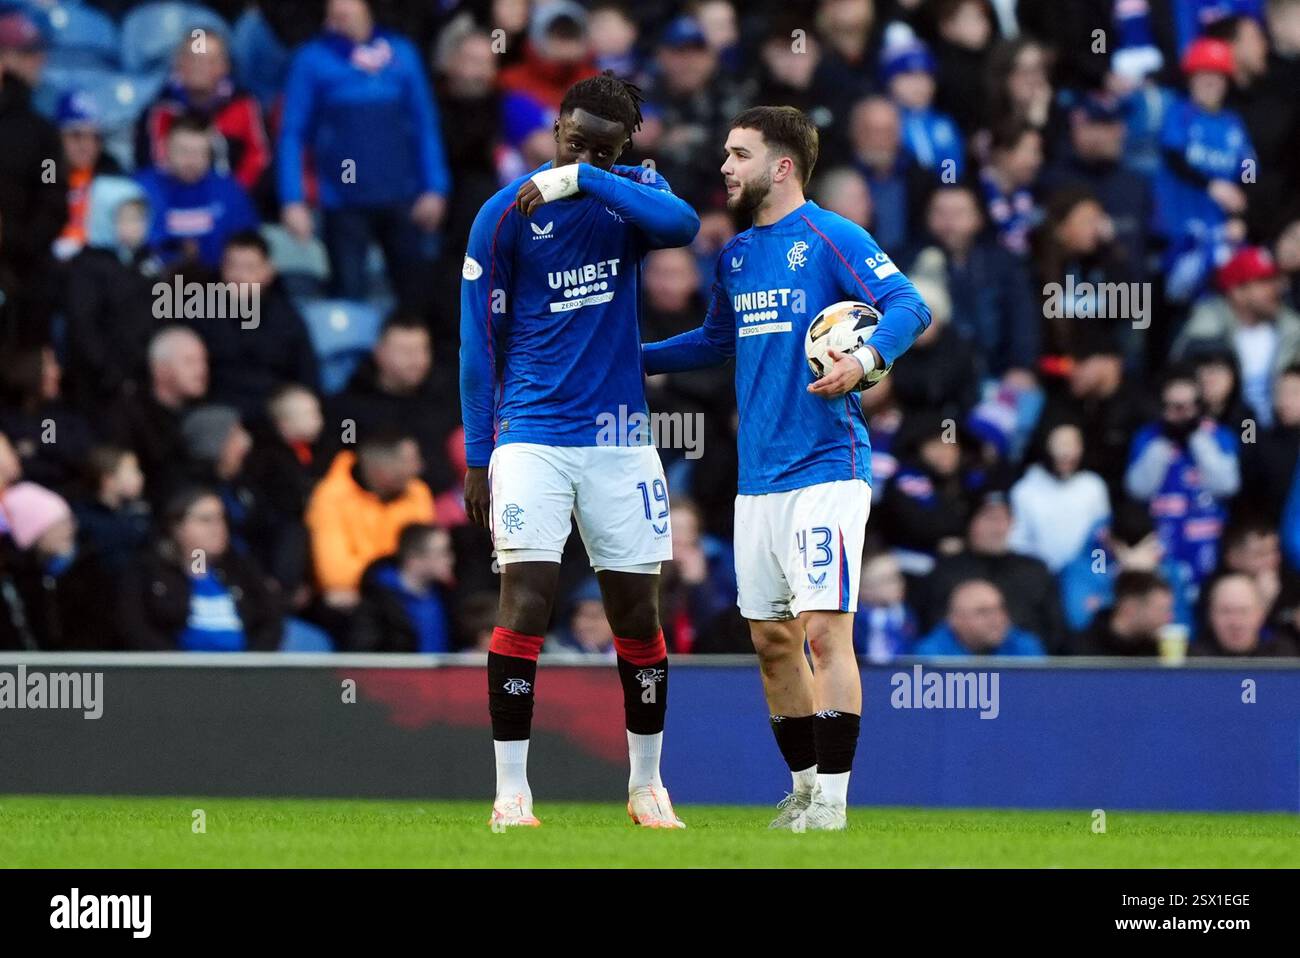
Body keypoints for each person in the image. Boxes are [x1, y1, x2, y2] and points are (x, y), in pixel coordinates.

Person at [644, 105, 930, 830]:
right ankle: (803, 791)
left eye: (738, 155)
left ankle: (832, 804)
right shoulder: (734, 256)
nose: (724, 168)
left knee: (823, 629)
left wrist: (866, 359)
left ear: (781, 165)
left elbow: (908, 303)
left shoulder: (832, 236)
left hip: (828, 466)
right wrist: (633, 359)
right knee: (772, 640)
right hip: (757, 480)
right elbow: (715, 341)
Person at [460, 72, 699, 829]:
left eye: (603, 147)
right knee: (527, 601)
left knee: (636, 613)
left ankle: (646, 785)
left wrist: (583, 180)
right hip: (532, 434)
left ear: (624, 148)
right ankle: (511, 792)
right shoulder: (504, 213)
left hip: (621, 441)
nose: (585, 152)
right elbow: (477, 347)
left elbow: (684, 227)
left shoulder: (628, 196)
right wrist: (476, 454)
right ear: (556, 124)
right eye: (574, 140)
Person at [277, 0, 451, 304]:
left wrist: (435, 187)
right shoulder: (312, 59)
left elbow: (425, 124)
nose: (340, 9)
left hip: (403, 198)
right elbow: (292, 133)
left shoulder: (402, 53)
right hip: (342, 202)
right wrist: (293, 199)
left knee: (417, 297)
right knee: (349, 294)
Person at [1125, 367, 1241, 605]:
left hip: (1209, 549)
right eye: (1173, 406)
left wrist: (1197, 440)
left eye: (1187, 406)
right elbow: (1138, 489)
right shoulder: (1147, 437)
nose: (1181, 414)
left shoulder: (1218, 436)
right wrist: (1164, 444)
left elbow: (1228, 485)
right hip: (1161, 550)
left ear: (1198, 405)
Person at [118, 486, 282, 651]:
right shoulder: (149, 570)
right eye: (206, 520)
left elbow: (271, 621)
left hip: (242, 673)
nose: (217, 528)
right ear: (177, 527)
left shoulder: (241, 567)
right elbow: (136, 627)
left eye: (221, 518)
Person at [305, 429, 435, 614]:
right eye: (408, 462)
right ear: (380, 472)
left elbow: (428, 556)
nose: (418, 468)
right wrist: (396, 572)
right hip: (360, 601)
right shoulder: (330, 497)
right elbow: (335, 576)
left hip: (406, 591)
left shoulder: (417, 490)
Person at [1174, 246, 1300, 427]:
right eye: (1264, 281)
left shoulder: (1293, 329)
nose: (1275, 288)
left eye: (1275, 280)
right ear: (1237, 291)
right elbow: (1181, 381)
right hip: (1222, 431)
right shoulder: (1206, 329)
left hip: (1280, 437)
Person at [136, 113, 258, 269]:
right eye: (183, 152)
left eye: (200, 153)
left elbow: (248, 245)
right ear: (166, 149)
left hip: (218, 284)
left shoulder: (230, 192)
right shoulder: (140, 189)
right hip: (154, 283)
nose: (191, 161)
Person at [349, 523, 456, 653]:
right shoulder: (375, 602)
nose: (450, 559)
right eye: (442, 553)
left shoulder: (446, 597)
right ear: (414, 558)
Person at [912, 579, 1047, 657]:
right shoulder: (929, 656)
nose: (997, 619)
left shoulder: (1023, 645)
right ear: (955, 620)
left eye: (1000, 608)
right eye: (983, 612)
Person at [1192, 572, 1299, 657]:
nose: (1235, 623)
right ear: (1210, 615)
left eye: (1243, 611)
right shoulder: (1191, 661)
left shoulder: (1284, 656)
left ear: (1261, 615)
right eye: (1226, 612)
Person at [1071, 570, 1172, 656]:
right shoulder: (1079, 653)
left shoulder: (1159, 651)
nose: (1169, 617)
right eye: (1160, 610)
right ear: (1129, 608)